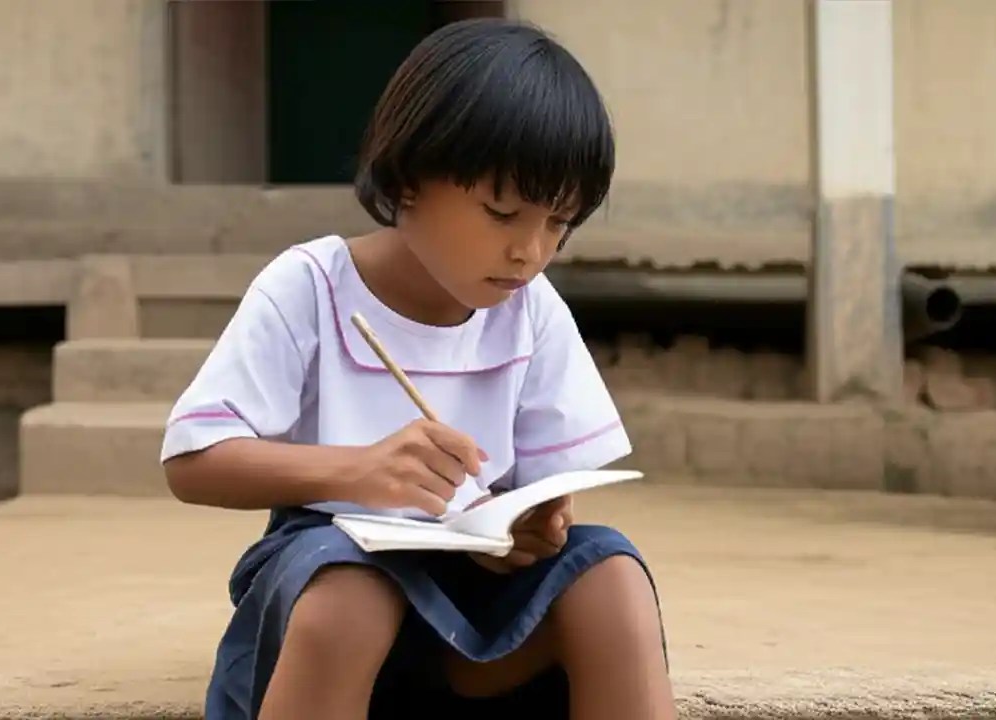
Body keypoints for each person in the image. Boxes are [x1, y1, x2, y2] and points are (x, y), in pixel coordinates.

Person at [161, 17, 676, 720]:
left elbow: (545, 494)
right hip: (326, 577)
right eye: (503, 212)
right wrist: (357, 472)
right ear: (407, 180)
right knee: (353, 594)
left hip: (474, 599)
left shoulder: (532, 310)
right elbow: (192, 462)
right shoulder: (310, 287)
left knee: (611, 575)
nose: (530, 250)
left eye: (560, 223)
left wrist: (524, 532)